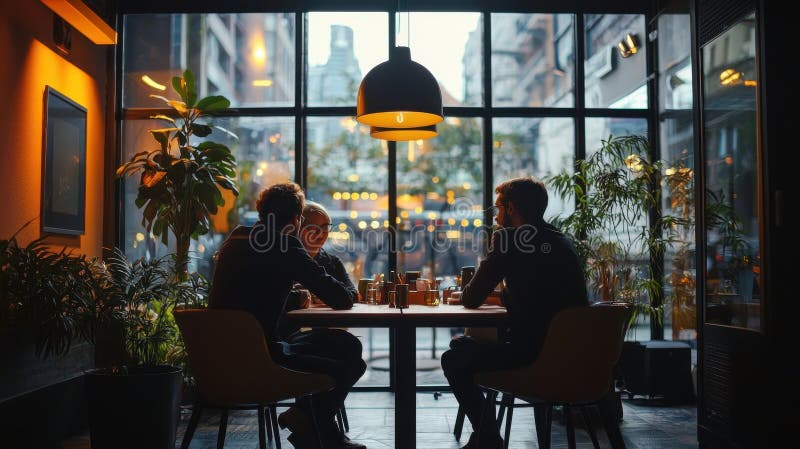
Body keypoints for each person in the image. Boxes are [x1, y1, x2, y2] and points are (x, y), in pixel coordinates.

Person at [209, 182, 367, 449]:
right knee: (353, 364)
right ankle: (311, 422)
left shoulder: (236, 238)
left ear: (262, 212)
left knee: (347, 344)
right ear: (296, 219)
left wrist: (295, 296)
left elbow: (253, 287)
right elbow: (341, 298)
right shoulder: (286, 244)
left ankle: (305, 419)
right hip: (263, 356)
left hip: (220, 357)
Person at [440, 176, 588, 449]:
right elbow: (538, 290)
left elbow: (472, 298)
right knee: (461, 346)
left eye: (498, 208)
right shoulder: (560, 240)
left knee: (453, 359)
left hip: (535, 357)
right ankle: (487, 436)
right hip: (576, 360)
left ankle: (488, 437)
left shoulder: (509, 238)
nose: (496, 216)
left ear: (511, 208)